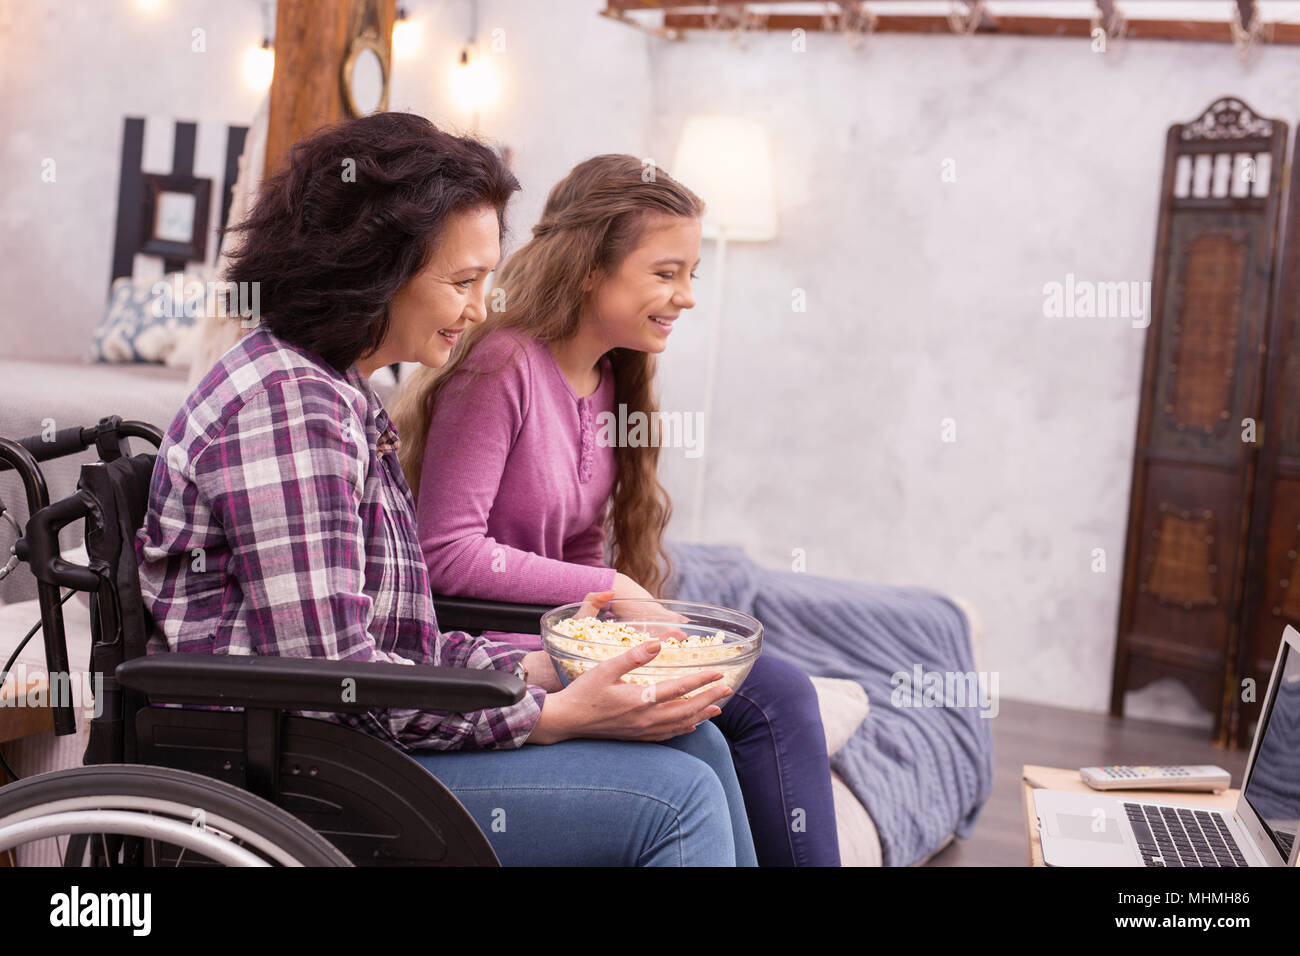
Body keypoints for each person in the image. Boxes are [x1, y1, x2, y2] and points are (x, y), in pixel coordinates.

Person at [134, 112, 757, 866]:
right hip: (298, 778)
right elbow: (333, 679)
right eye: (463, 281)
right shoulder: (289, 408)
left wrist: (545, 667)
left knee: (701, 741)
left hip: (343, 748)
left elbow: (397, 644)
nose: (479, 307)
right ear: (376, 271)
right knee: (677, 800)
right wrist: (549, 714)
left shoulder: (336, 391)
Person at [392, 154, 841, 866]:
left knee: (761, 692)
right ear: (589, 268)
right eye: (666, 273)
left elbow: (574, 552)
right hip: (483, 644)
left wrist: (608, 622)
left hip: (560, 636)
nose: (686, 296)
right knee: (776, 697)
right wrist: (616, 593)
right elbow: (444, 549)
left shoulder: (607, 379)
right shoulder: (500, 366)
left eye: (692, 274)